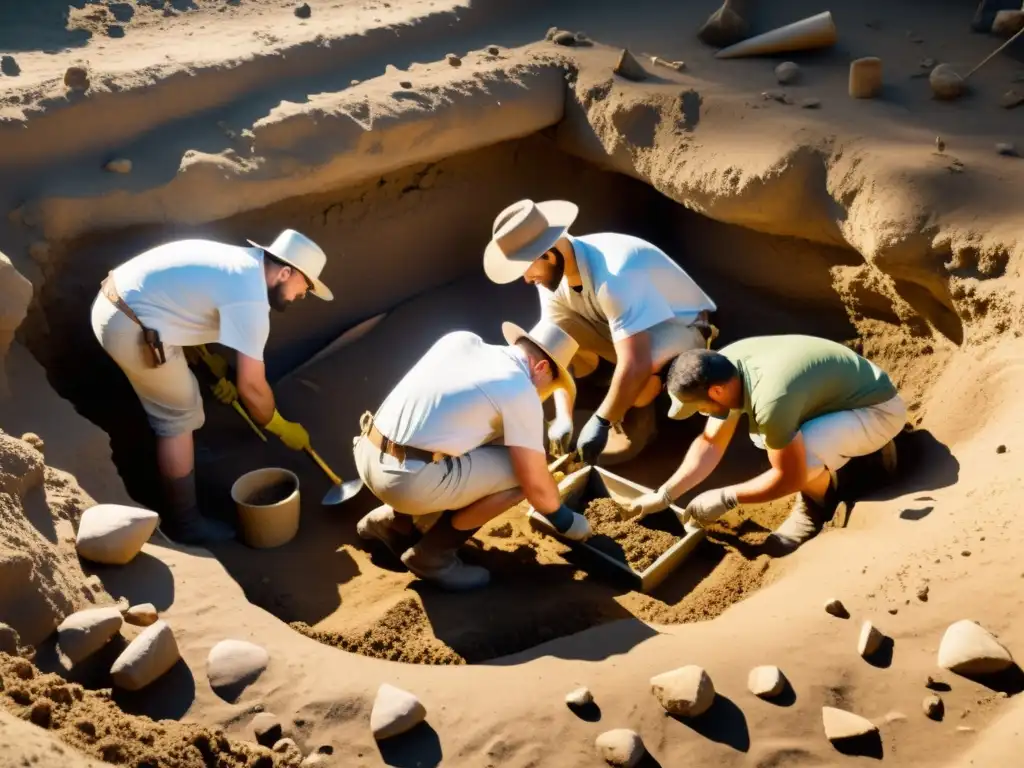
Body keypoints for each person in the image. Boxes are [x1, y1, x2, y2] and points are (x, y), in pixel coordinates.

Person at [90, 229, 332, 545]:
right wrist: (279, 425)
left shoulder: (241, 265)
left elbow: (185, 302)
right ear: (285, 272)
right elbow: (252, 387)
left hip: (120, 302)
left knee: (185, 400)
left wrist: (206, 359)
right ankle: (185, 523)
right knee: (180, 416)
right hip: (130, 326)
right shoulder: (252, 300)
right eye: (306, 285)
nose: (303, 294)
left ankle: (185, 467)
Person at [353, 319, 592, 591]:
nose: (544, 392)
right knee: (521, 477)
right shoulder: (519, 388)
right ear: (541, 367)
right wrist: (568, 522)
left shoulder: (461, 340)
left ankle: (392, 523)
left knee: (449, 436)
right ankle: (432, 557)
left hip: (368, 453)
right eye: (550, 382)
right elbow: (536, 485)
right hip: (403, 483)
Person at [482, 198, 717, 465]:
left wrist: (601, 421)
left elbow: (636, 361)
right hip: (619, 326)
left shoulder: (615, 274)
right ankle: (611, 385)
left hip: (681, 327)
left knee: (640, 382)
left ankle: (640, 409)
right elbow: (553, 346)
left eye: (525, 269)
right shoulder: (553, 272)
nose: (525, 279)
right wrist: (564, 417)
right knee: (543, 340)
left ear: (547, 254)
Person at [626, 335, 907, 552]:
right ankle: (855, 451)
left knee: (789, 449)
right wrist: (665, 494)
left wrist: (726, 498)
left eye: (697, 406)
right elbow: (711, 441)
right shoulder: (724, 364)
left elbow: (791, 475)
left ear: (716, 391)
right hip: (841, 397)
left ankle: (818, 505)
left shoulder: (771, 401)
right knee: (770, 437)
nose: (699, 413)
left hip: (879, 410)